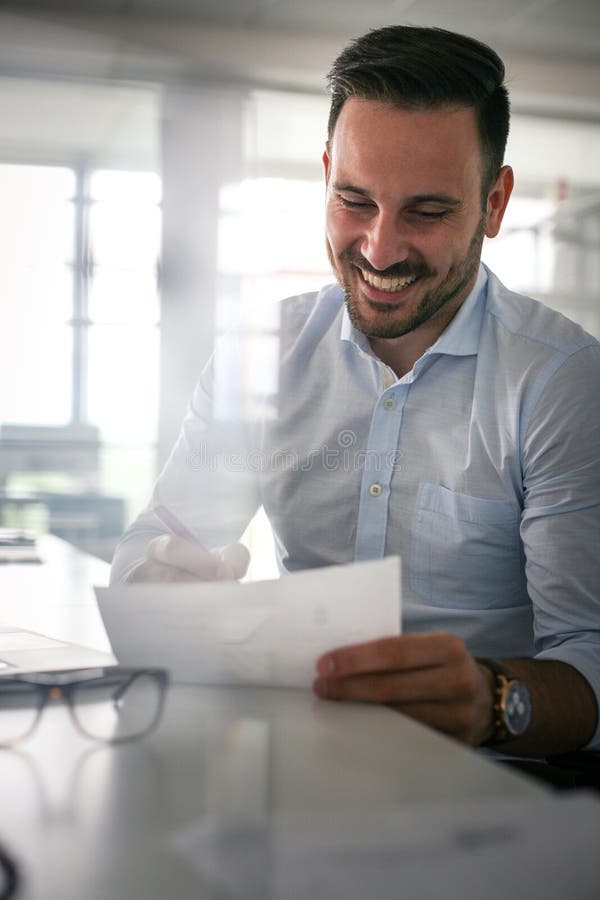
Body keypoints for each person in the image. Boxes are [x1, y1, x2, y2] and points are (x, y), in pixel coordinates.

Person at [111, 26, 600, 759]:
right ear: (326, 177)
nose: (380, 248)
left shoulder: (561, 383)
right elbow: (155, 543)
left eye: (427, 212)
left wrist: (495, 698)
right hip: (291, 768)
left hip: (494, 787)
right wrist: (155, 584)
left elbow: (588, 658)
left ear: (494, 204)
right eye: (354, 200)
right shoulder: (261, 356)